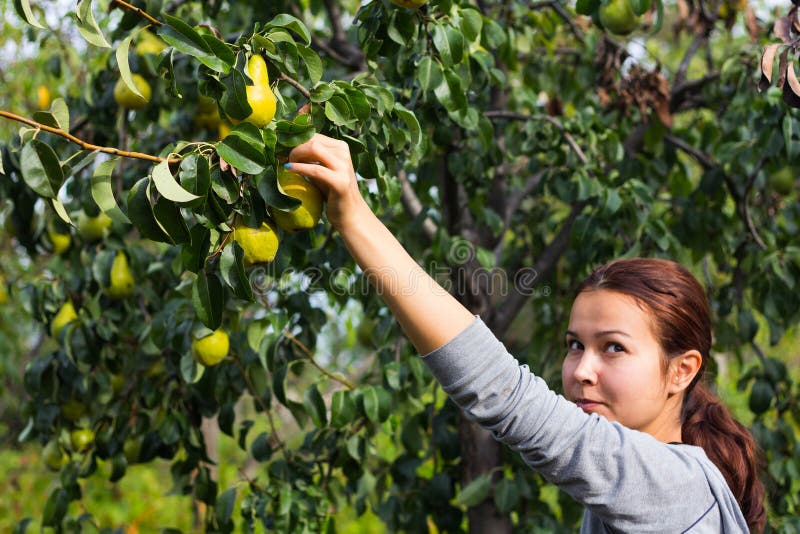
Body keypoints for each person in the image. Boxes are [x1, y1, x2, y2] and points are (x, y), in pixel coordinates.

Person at [286, 134, 766, 532]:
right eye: (575, 345)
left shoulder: (677, 484)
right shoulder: (624, 501)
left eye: (613, 348)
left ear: (681, 371)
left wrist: (353, 218)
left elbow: (506, 396)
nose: (581, 371)